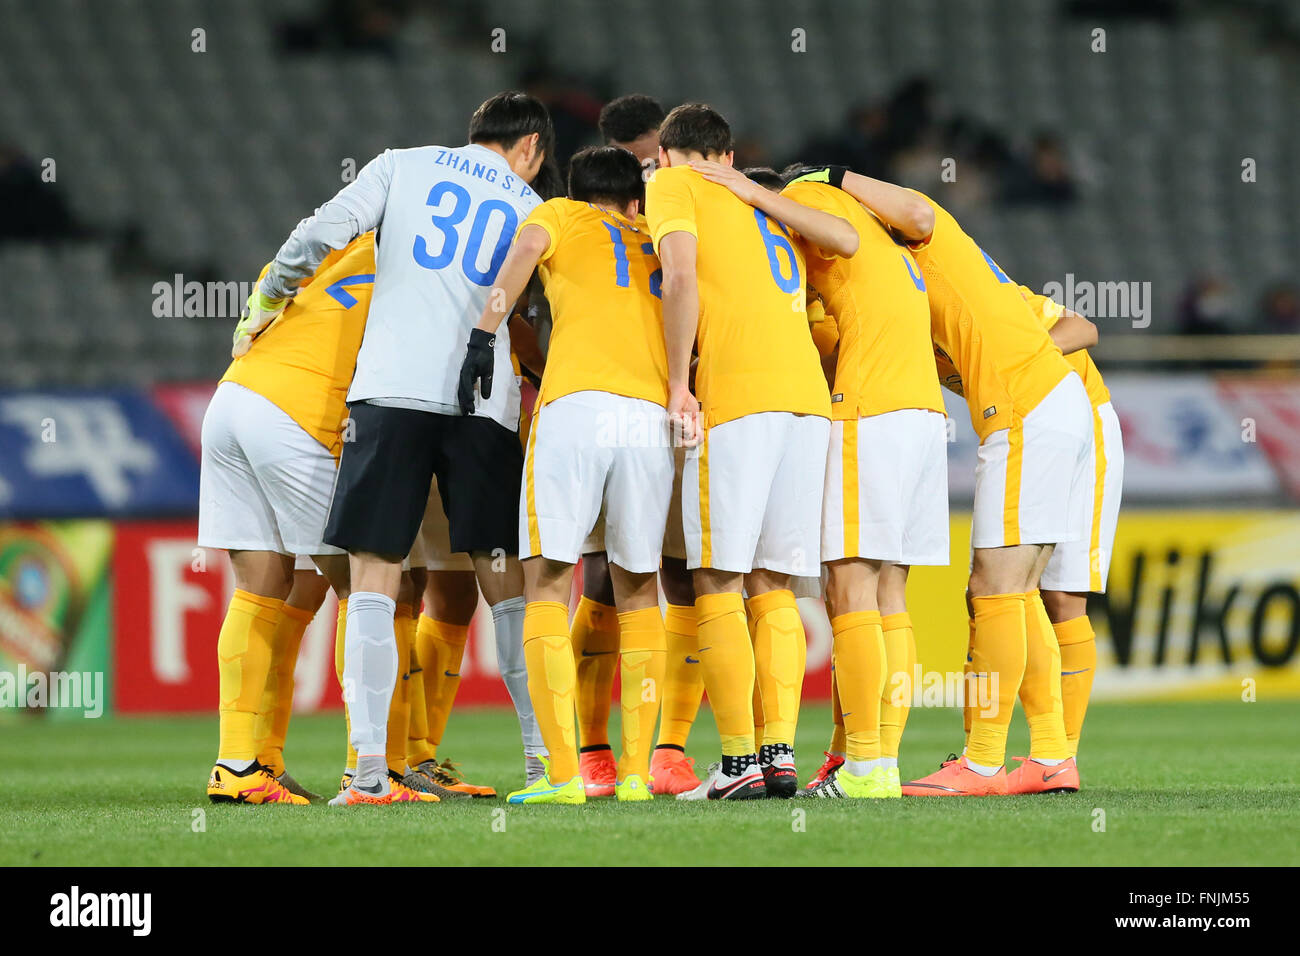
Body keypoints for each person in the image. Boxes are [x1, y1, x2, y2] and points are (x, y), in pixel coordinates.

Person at [240, 91, 554, 806]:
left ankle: (370, 773)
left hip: (390, 392)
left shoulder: (401, 166)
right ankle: (543, 763)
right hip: (485, 401)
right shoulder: (535, 208)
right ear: (531, 147)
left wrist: (268, 300)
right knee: (505, 586)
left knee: (374, 579)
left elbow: (318, 234)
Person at [646, 104, 858, 800]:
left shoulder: (674, 186)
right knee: (776, 586)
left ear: (668, 155)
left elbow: (678, 277)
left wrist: (679, 384)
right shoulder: (768, 208)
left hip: (737, 400)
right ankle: (778, 755)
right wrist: (758, 191)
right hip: (805, 405)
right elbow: (847, 239)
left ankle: (736, 763)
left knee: (716, 580)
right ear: (730, 156)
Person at [461, 145, 673, 804]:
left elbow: (521, 256)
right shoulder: (656, 238)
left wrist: (481, 333)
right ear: (634, 199)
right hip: (648, 417)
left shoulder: (560, 215)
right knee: (639, 592)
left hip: (575, 407)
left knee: (549, 582)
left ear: (578, 192)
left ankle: (562, 775)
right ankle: (637, 773)